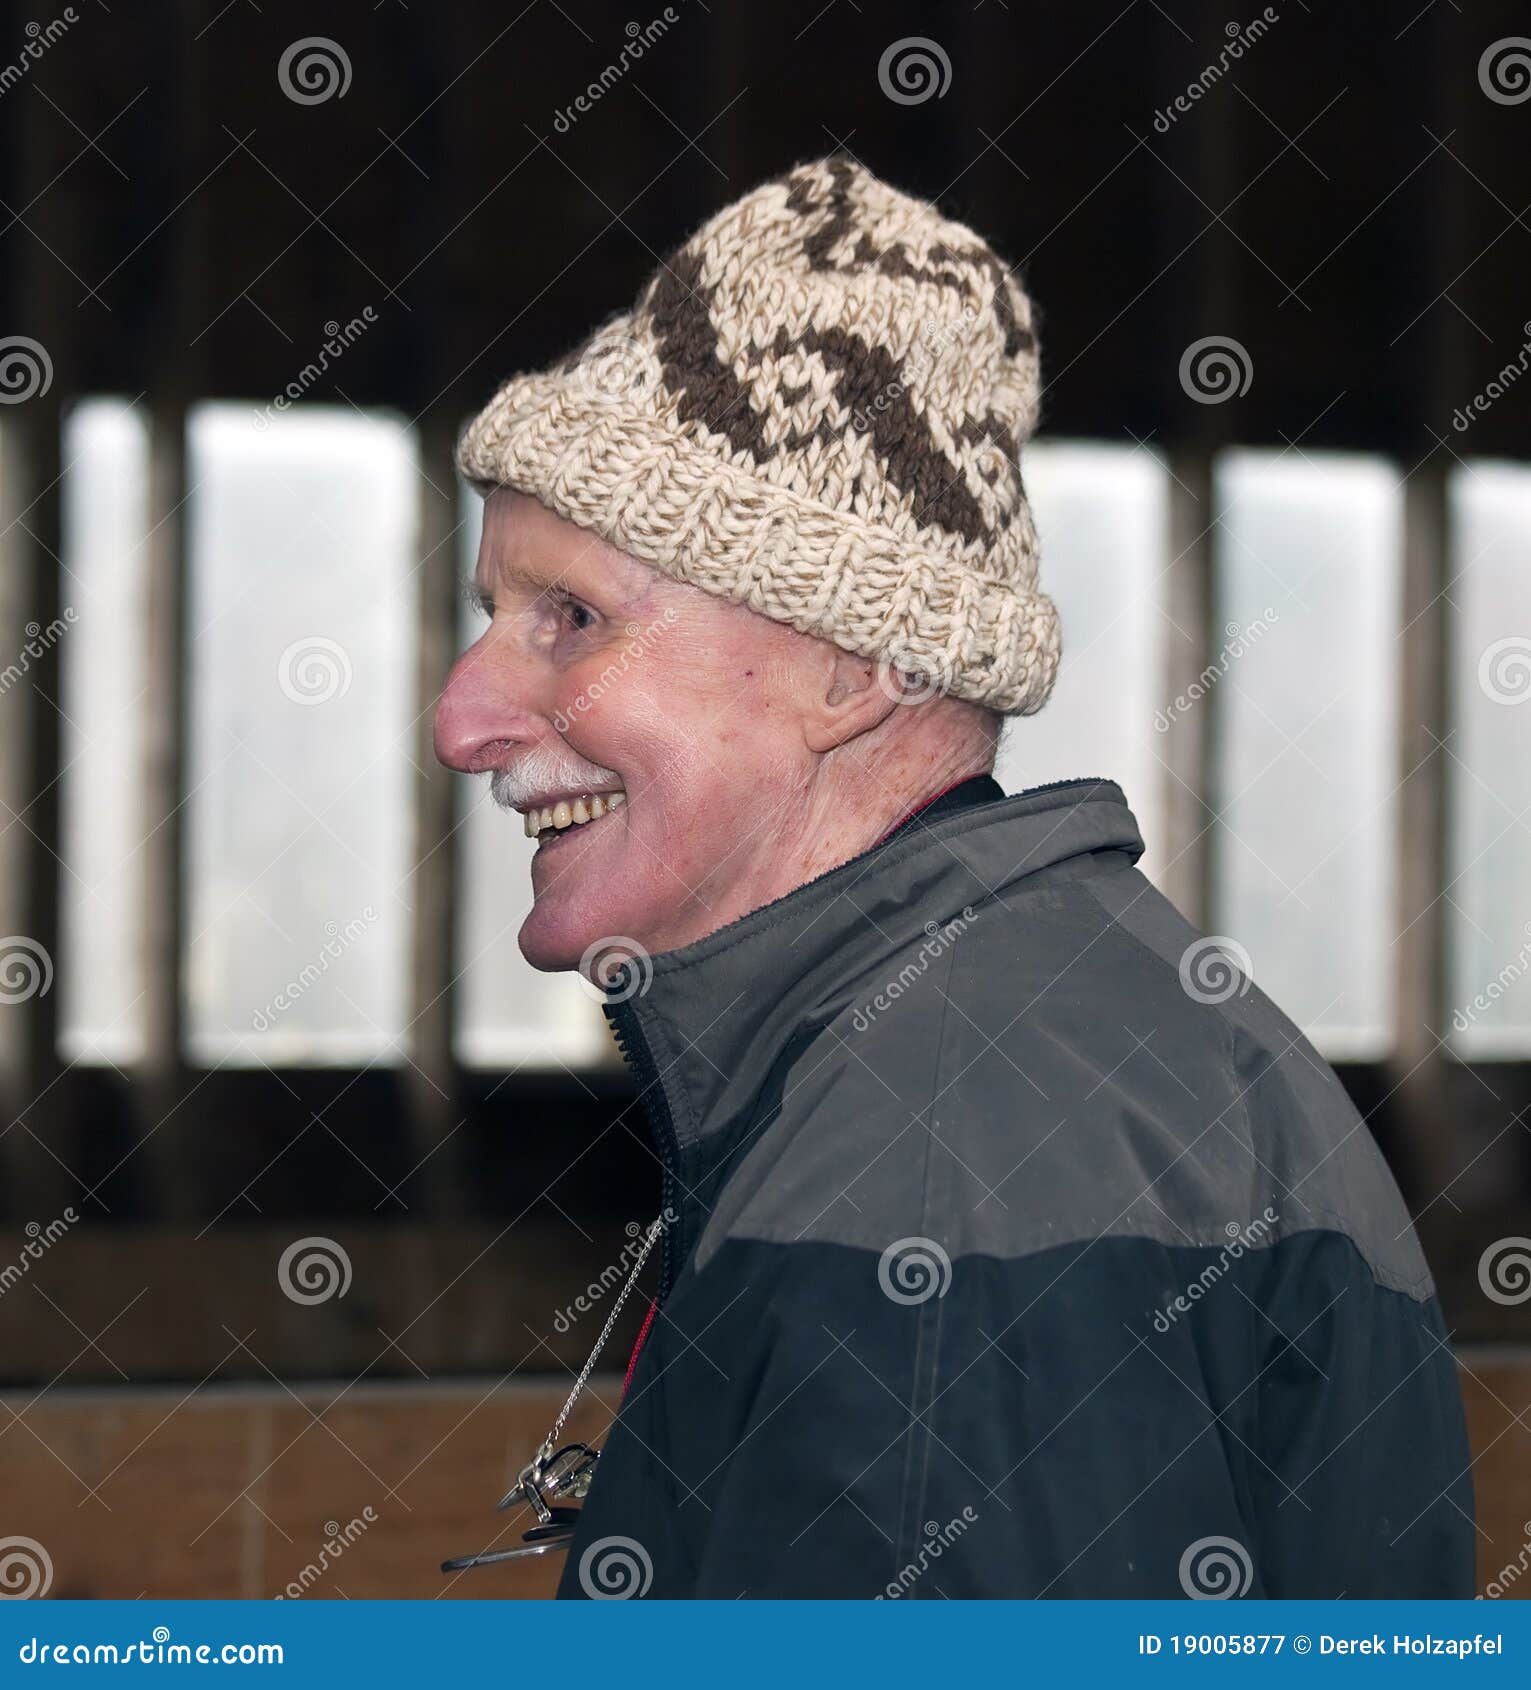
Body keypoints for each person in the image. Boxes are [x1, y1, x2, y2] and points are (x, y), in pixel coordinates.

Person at [433, 156, 1473, 1599]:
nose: (462, 715)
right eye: (492, 614)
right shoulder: (1007, 1045)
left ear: (858, 668)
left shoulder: (934, 1173)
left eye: (570, 617)